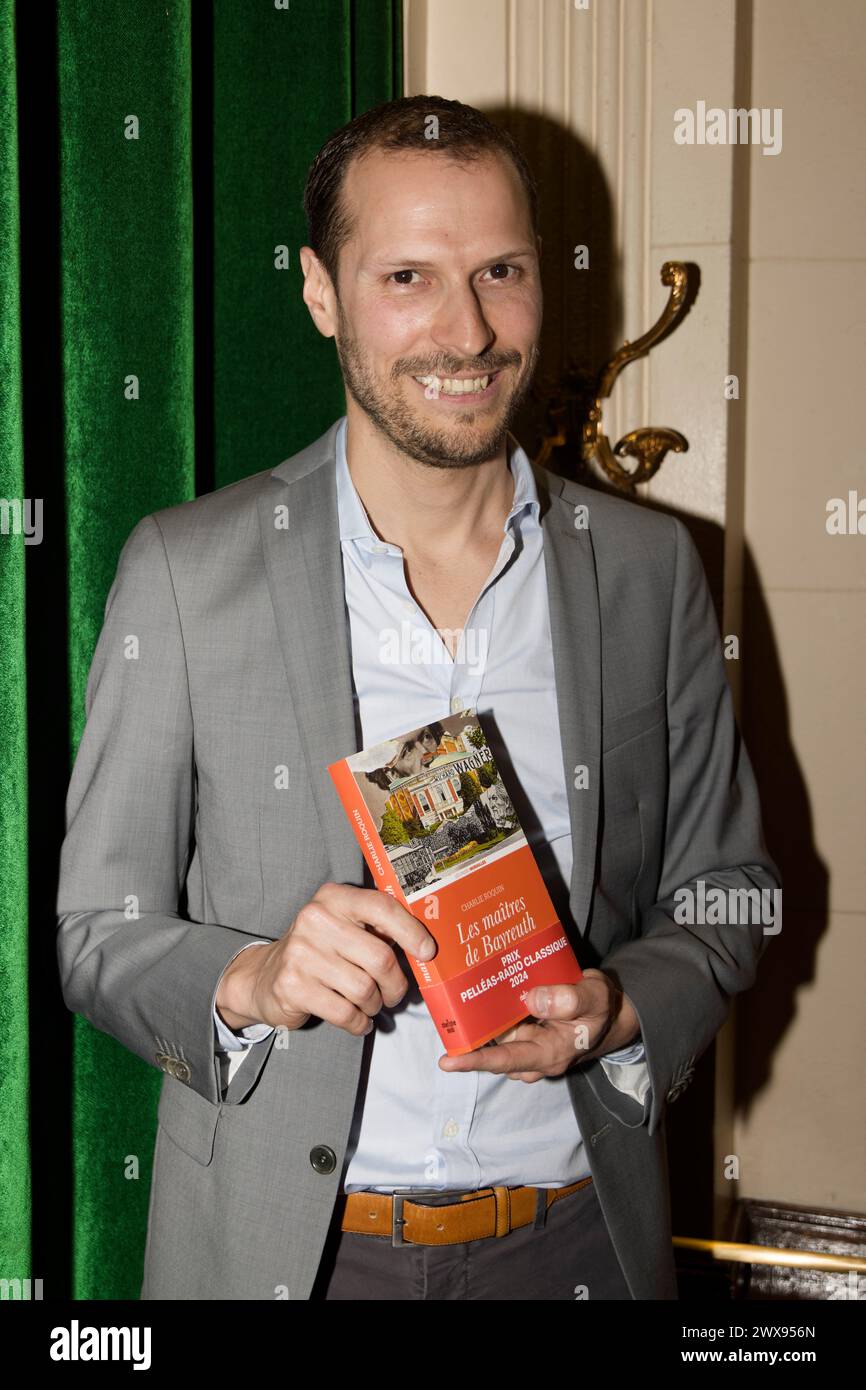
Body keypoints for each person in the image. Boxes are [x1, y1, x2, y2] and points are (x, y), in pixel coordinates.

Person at [56, 94, 780, 1301]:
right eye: (407, 276)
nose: (467, 330)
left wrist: (613, 1012)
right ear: (320, 293)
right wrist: (253, 981)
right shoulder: (184, 574)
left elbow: (729, 896)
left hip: (577, 1248)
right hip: (287, 1260)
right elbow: (93, 932)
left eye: (499, 269)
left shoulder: (650, 573)